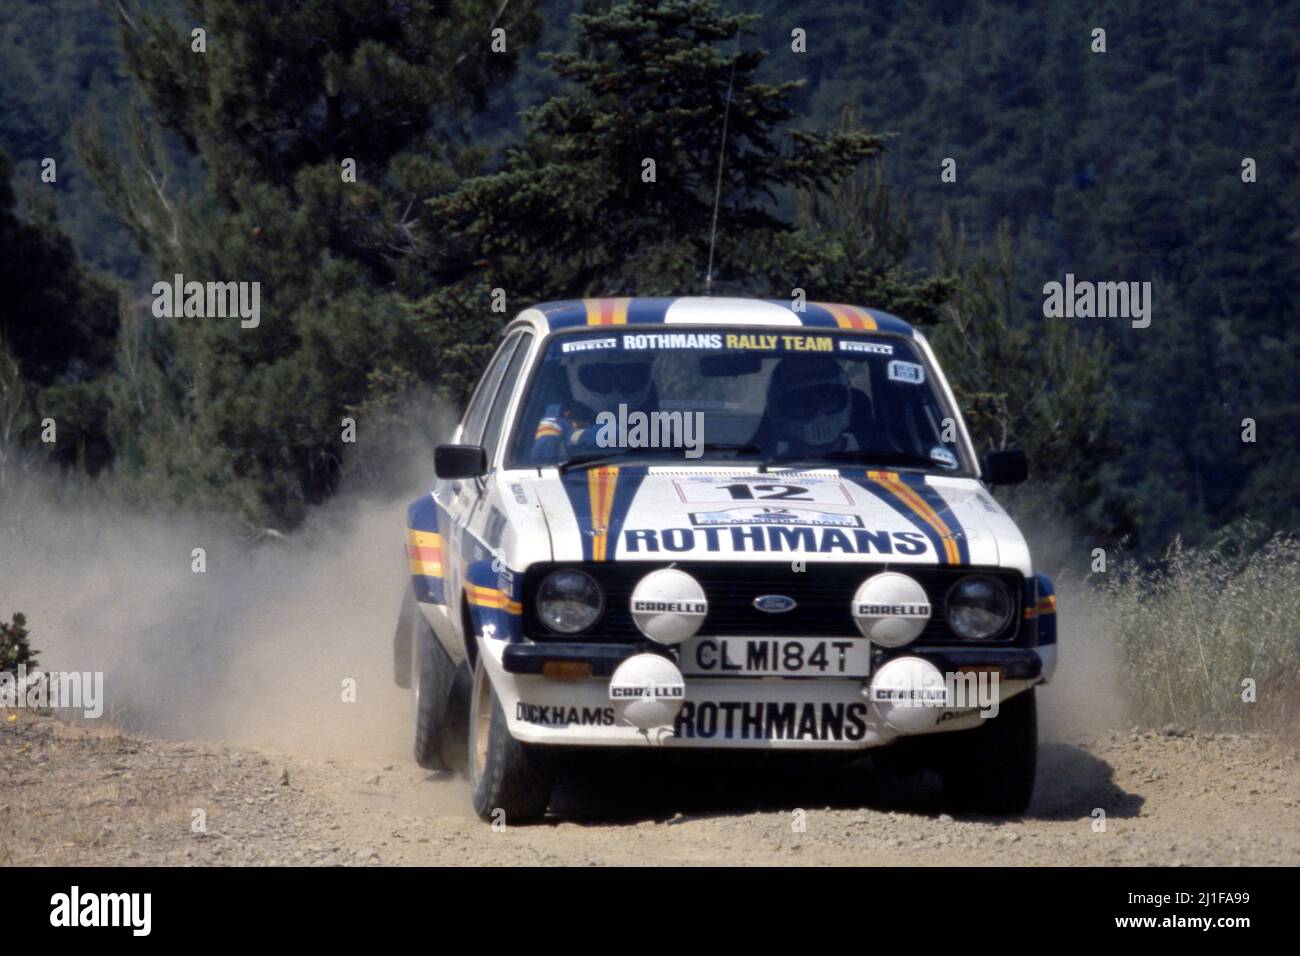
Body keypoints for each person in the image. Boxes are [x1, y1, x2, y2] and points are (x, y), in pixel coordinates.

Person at [530, 352, 655, 463]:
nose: (616, 392)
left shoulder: (655, 425)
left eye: (628, 379)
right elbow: (542, 452)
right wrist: (576, 438)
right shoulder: (560, 420)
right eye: (602, 378)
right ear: (571, 375)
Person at [761, 354, 862, 458]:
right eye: (803, 403)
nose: (819, 415)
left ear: (846, 401)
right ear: (778, 410)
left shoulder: (873, 457)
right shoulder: (757, 461)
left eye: (827, 400)